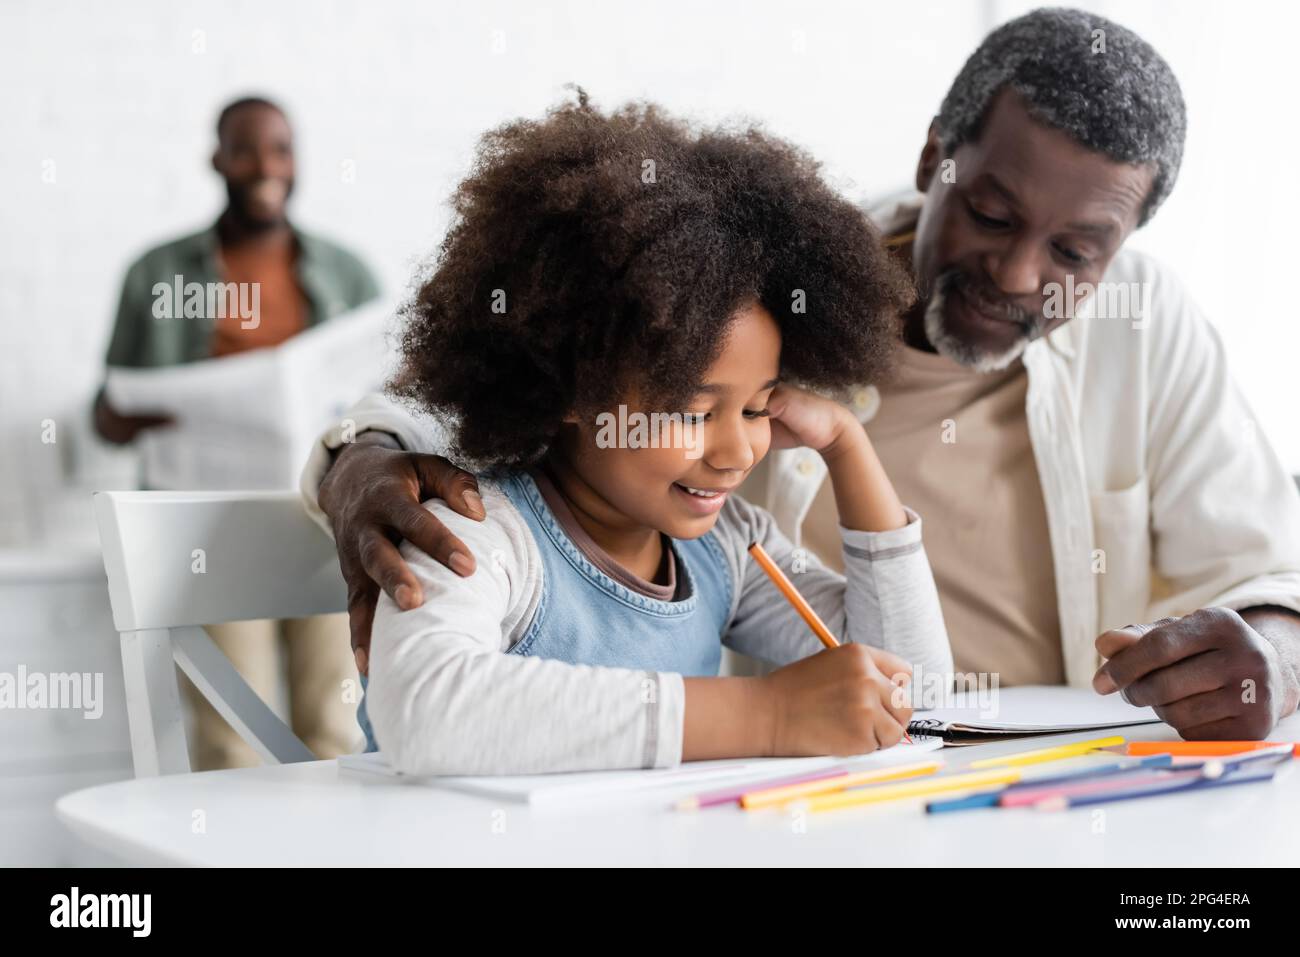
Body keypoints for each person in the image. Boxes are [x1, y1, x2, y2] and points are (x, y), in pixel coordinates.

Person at [305, 10, 1300, 742]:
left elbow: (1277, 571)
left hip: (1026, 772)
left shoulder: (1150, 327)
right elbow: (482, 362)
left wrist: (1275, 653)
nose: (1017, 273)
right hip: (791, 778)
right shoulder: (755, 284)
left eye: (1076, 253)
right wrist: (362, 454)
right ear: (934, 158)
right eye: (992, 216)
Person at [357, 94, 951, 773]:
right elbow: (426, 710)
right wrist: (769, 713)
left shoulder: (729, 550)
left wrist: (847, 445)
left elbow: (915, 690)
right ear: (580, 390)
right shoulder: (484, 533)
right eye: (694, 413)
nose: (736, 454)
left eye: (758, 409)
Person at [96, 96, 381, 769]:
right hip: (211, 525)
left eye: (280, 149)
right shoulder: (156, 273)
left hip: (321, 521)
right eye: (246, 148)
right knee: (234, 739)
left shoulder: (348, 274)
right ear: (217, 159)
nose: (265, 165)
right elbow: (104, 414)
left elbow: (390, 397)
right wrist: (129, 414)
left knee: (335, 730)